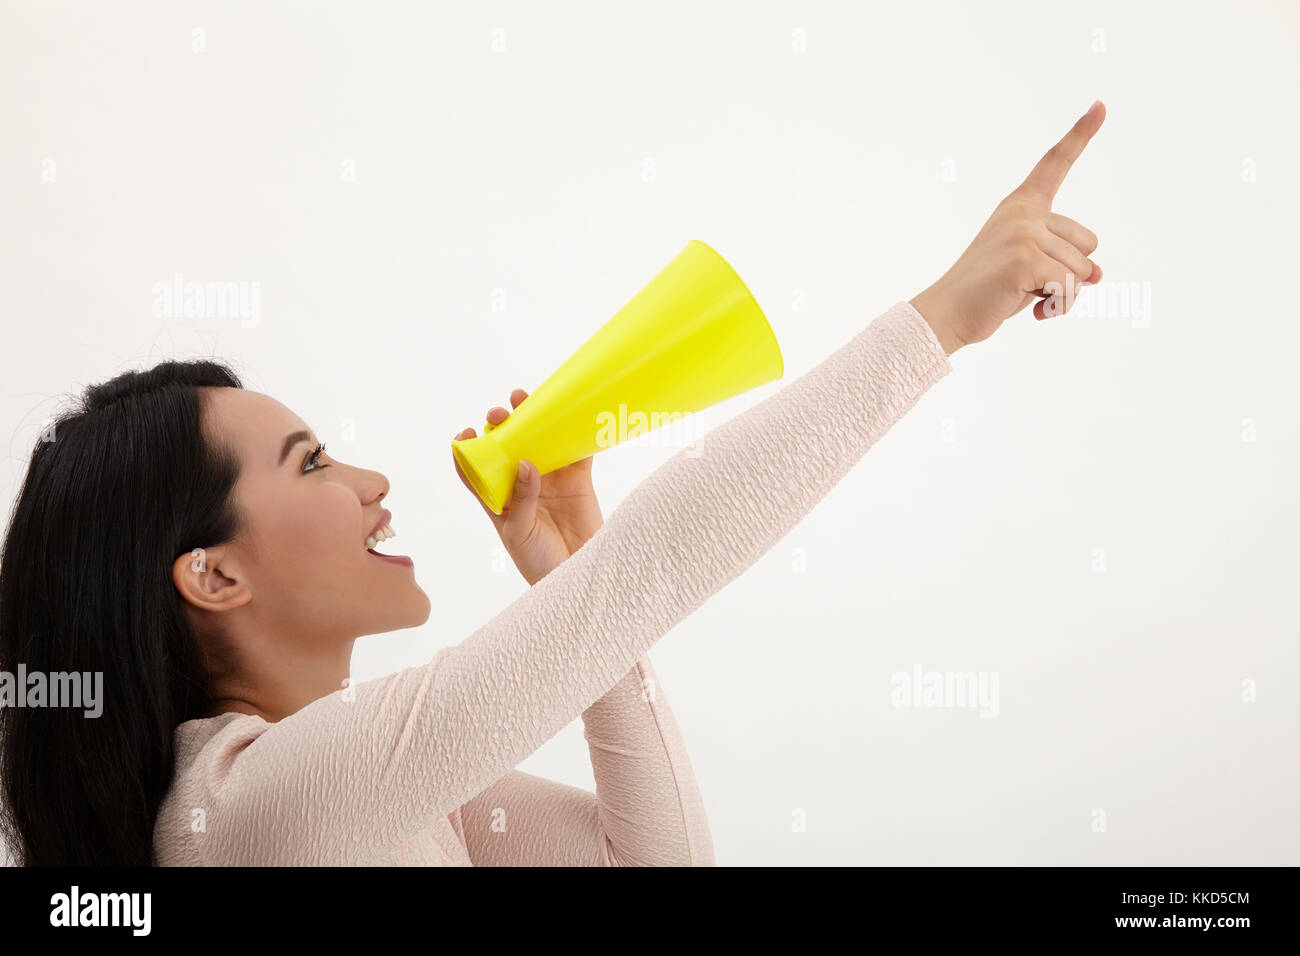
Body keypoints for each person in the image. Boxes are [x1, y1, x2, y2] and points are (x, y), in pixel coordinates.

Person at [0, 102, 1105, 866]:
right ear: (214, 572)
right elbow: (659, 561)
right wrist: (946, 315)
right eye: (313, 462)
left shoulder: (358, 793)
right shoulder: (249, 806)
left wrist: (563, 565)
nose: (374, 478)